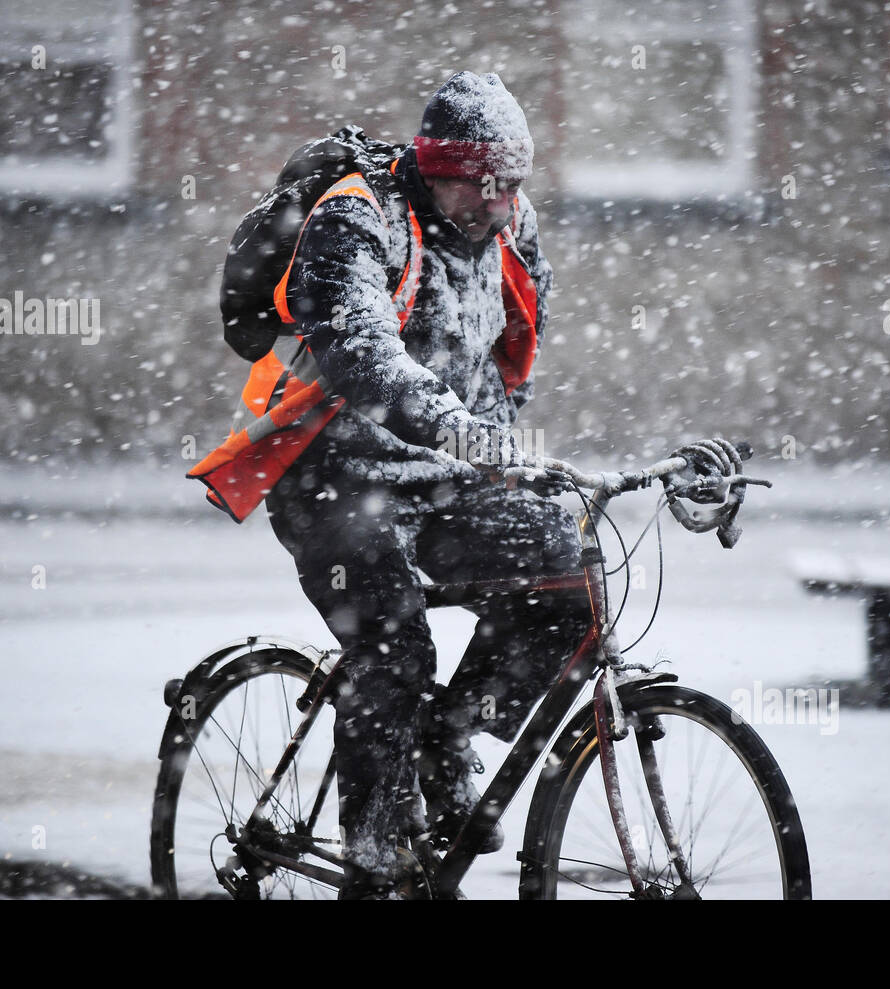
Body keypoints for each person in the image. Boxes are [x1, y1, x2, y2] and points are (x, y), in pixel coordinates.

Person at [261, 71, 591, 899]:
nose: (501, 203)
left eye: (512, 183)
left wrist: (503, 451)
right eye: (482, 185)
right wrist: (456, 427)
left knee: (567, 578)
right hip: (333, 476)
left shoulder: (514, 227)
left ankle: (453, 729)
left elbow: (511, 350)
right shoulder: (357, 217)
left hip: (442, 479)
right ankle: (372, 856)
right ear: (436, 169)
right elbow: (362, 355)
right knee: (395, 648)